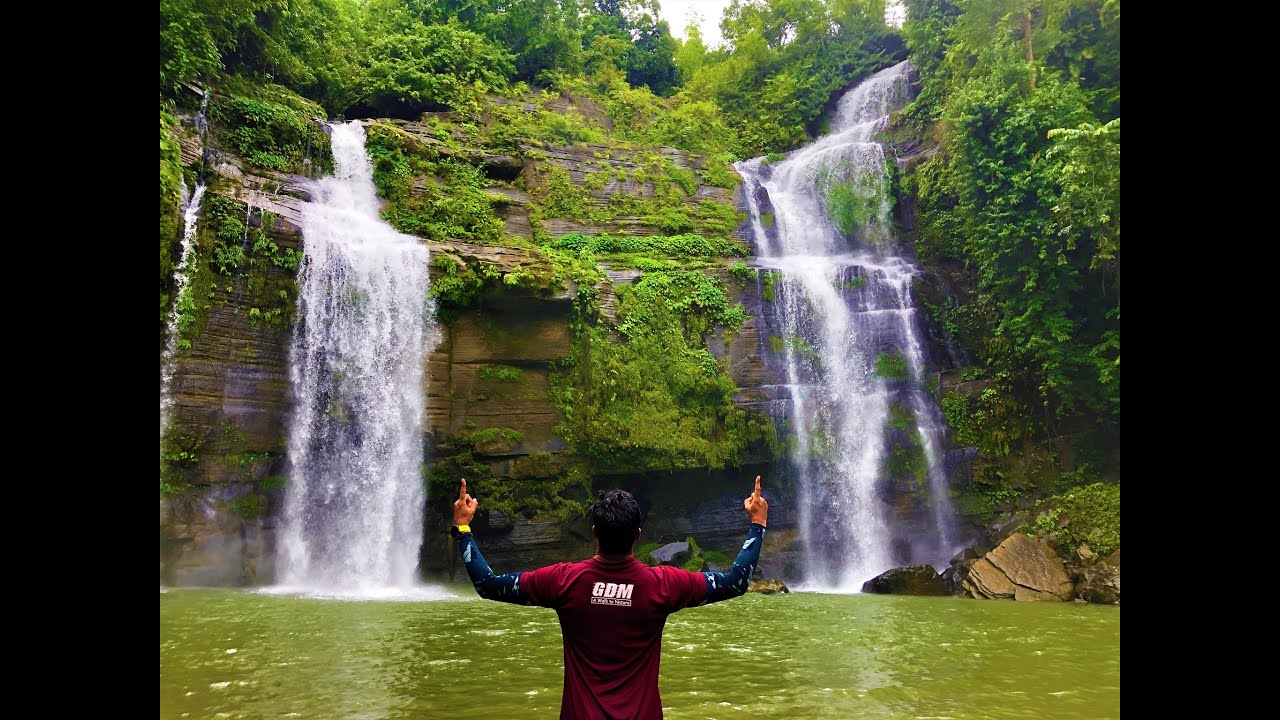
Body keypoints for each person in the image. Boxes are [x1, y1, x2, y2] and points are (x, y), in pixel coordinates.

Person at [451, 476, 769, 720]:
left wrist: (463, 527)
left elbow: (488, 584)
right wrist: (757, 523)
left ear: (593, 532)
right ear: (638, 535)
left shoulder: (564, 581)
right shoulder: (662, 585)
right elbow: (735, 582)